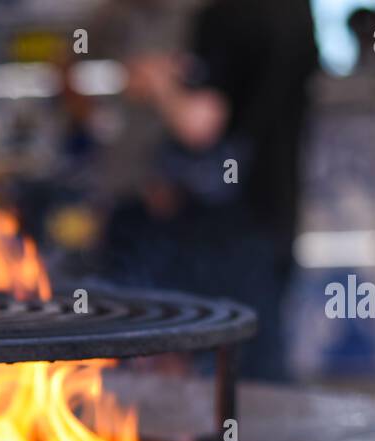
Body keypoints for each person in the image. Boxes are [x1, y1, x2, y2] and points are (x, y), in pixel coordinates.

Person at [100, 0, 319, 381]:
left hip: (220, 232)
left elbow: (198, 124)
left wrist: (158, 80)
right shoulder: (296, 11)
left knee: (215, 376)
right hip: (274, 212)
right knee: (262, 376)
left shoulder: (226, 15)